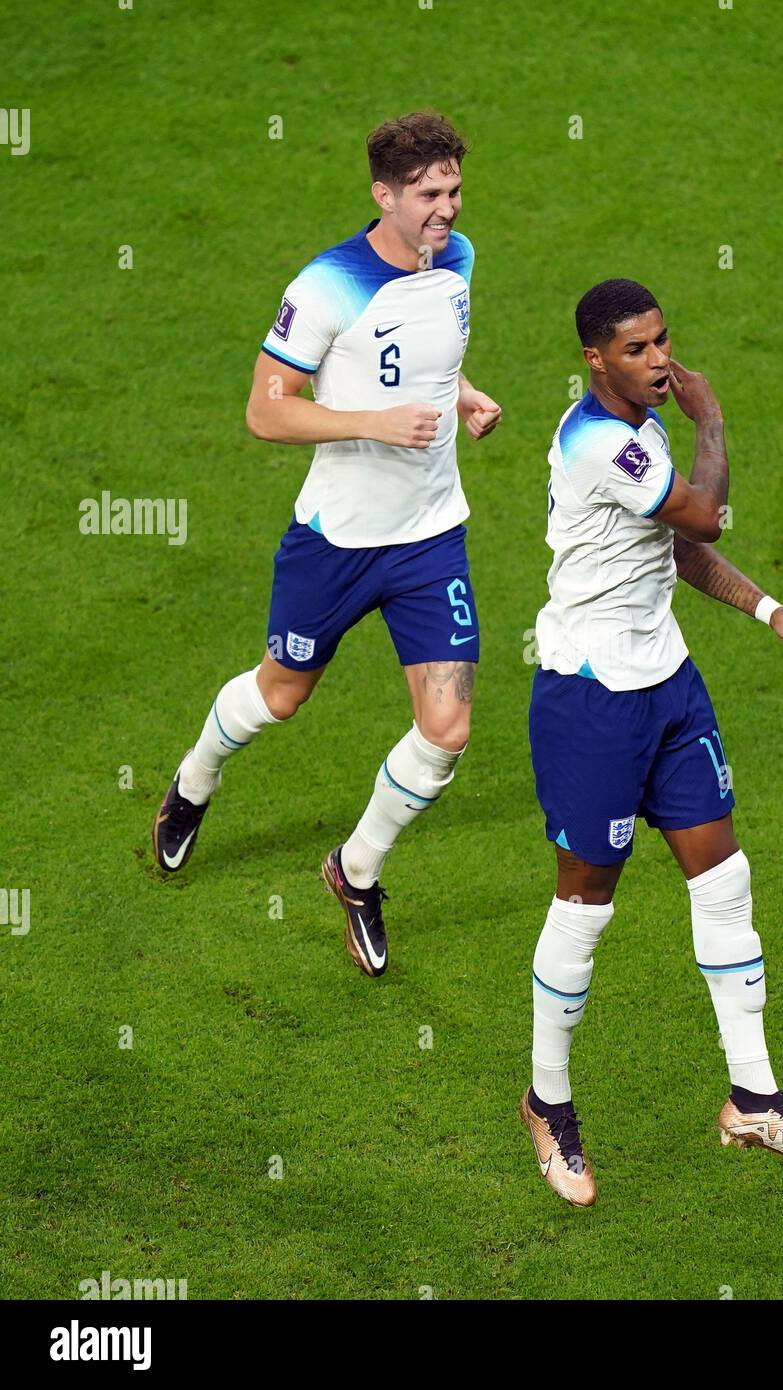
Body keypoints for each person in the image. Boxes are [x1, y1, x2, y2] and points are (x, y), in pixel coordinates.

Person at [152, 112, 501, 979]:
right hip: (336, 543)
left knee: (448, 727)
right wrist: (375, 425)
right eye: (428, 195)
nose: (446, 210)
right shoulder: (326, 285)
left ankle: (355, 870)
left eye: (454, 190)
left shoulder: (456, 262)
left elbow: (424, 357)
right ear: (382, 195)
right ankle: (194, 784)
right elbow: (267, 409)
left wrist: (463, 396)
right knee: (280, 696)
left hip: (429, 540)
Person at [521, 278, 783, 1205]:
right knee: (586, 904)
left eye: (664, 342)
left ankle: (753, 1097)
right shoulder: (599, 443)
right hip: (590, 699)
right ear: (594, 360)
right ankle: (547, 1104)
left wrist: (768, 609)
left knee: (723, 875)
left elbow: (681, 551)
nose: (660, 361)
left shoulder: (642, 433)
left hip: (666, 685)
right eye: (636, 349)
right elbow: (703, 512)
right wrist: (713, 422)